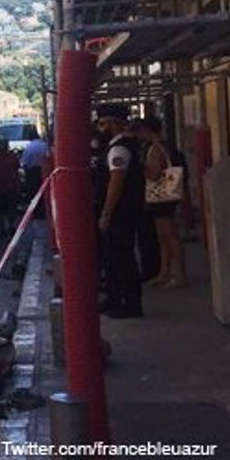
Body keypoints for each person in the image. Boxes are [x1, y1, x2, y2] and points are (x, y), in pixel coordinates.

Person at [95, 104, 144, 319]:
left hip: (120, 211)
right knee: (112, 257)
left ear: (115, 123)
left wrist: (106, 212)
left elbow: (116, 181)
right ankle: (114, 298)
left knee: (122, 257)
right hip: (121, 210)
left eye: (103, 123)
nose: (100, 128)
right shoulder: (116, 146)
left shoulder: (119, 149)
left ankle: (130, 303)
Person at [133, 117, 187, 288]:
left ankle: (178, 274)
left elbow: (154, 174)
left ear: (147, 130)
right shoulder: (164, 145)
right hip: (164, 196)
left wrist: (141, 168)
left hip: (162, 196)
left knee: (169, 236)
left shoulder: (156, 149)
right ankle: (165, 272)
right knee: (163, 236)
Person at [20, 132, 50, 203]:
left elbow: (25, 162)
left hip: (32, 172)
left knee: (32, 190)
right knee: (43, 189)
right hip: (43, 171)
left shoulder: (28, 147)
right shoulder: (45, 145)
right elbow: (48, 156)